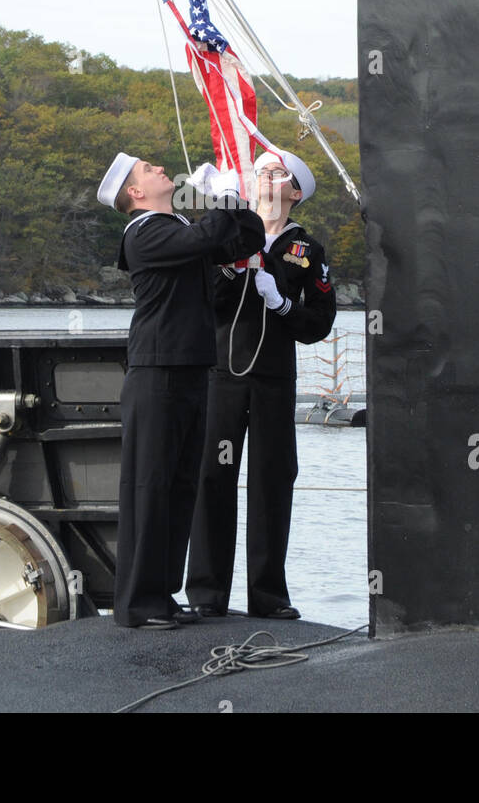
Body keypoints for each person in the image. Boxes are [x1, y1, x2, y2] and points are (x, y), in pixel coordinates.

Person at [97, 152, 264, 629]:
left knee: (179, 487)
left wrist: (238, 205)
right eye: (149, 170)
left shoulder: (179, 228)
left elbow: (242, 241)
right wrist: (225, 200)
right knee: (149, 488)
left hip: (190, 368)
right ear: (135, 193)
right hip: (157, 371)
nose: (160, 170)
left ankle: (161, 595)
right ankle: (136, 602)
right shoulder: (145, 231)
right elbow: (208, 236)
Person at [186, 149, 337, 620]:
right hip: (223, 375)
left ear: (295, 192)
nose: (265, 178)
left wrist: (282, 304)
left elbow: (319, 322)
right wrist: (234, 266)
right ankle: (207, 594)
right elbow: (200, 298)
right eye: (259, 172)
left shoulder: (307, 252)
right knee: (213, 477)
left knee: (273, 479)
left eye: (276, 173)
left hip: (272, 378)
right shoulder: (227, 234)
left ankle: (268, 595)